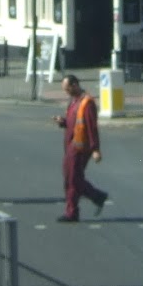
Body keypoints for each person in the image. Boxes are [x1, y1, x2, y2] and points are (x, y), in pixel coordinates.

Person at [52, 73, 108, 222]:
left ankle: (75, 210)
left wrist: (95, 149)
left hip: (80, 147)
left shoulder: (86, 103)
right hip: (71, 145)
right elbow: (74, 122)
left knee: (72, 179)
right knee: (71, 177)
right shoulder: (73, 101)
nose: (66, 92)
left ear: (75, 85)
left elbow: (91, 127)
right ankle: (91, 199)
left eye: (67, 89)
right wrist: (63, 122)